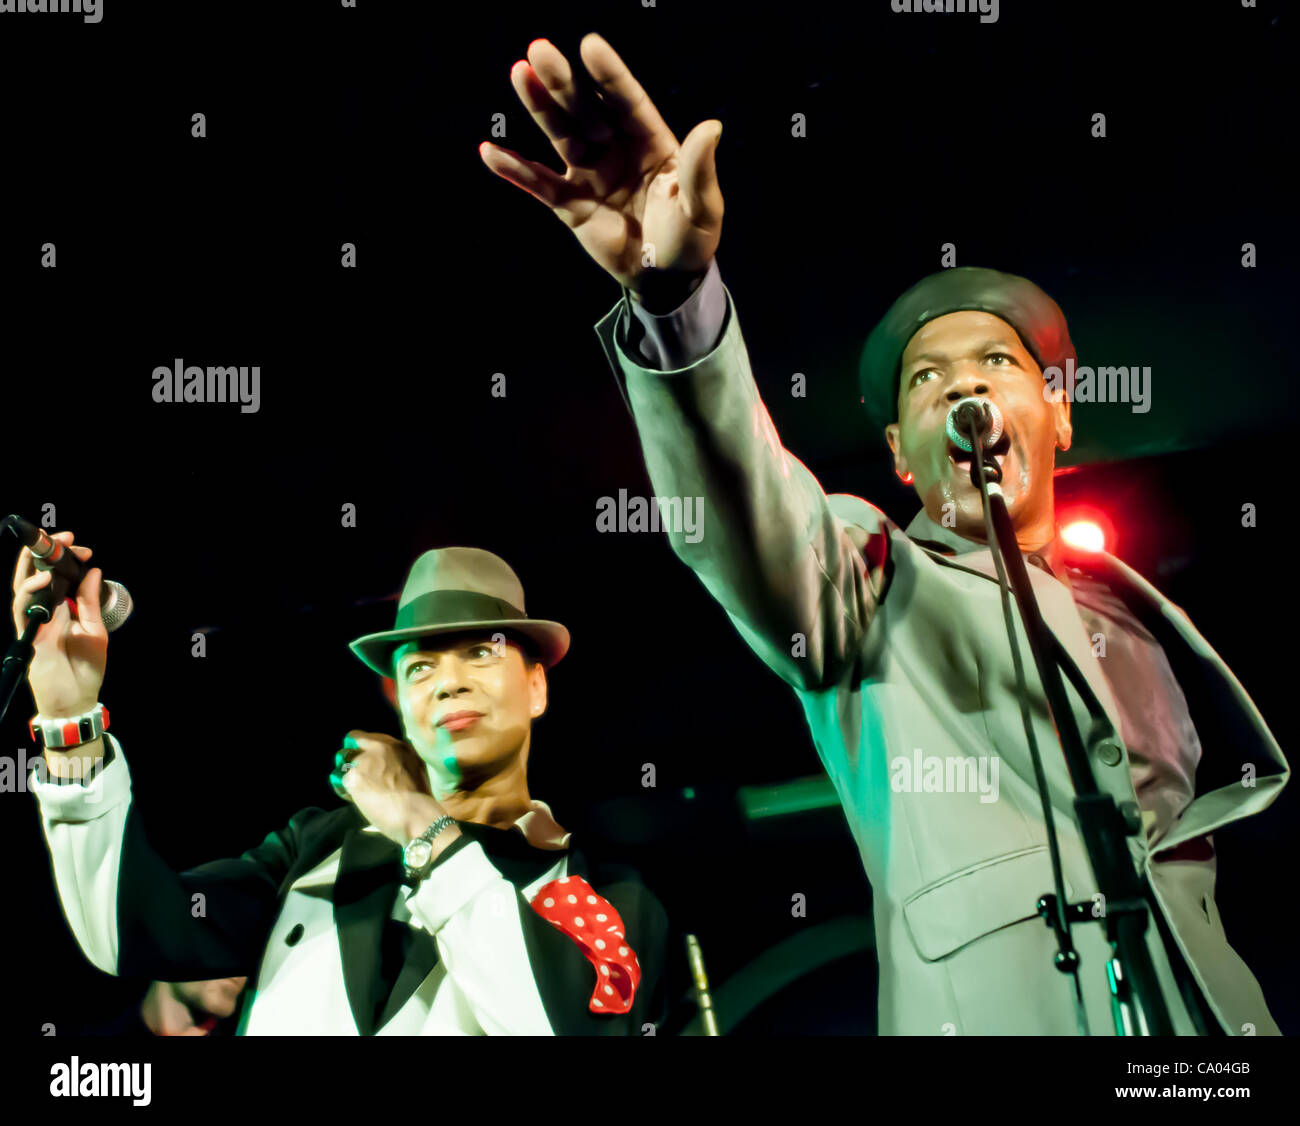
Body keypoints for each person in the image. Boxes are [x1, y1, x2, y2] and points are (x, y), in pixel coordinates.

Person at [479, 32, 1289, 1035]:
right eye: (927, 377)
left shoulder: (1133, 617)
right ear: (903, 455)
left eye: (997, 361)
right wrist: (675, 299)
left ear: (1061, 414)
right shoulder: (869, 578)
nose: (963, 384)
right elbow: (752, 517)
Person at [16, 539, 669, 1034]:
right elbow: (128, 933)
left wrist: (424, 828)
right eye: (420, 667)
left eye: (480, 653)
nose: (448, 683)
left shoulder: (597, 890)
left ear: (536, 685)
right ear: (401, 703)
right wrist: (68, 716)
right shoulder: (318, 845)